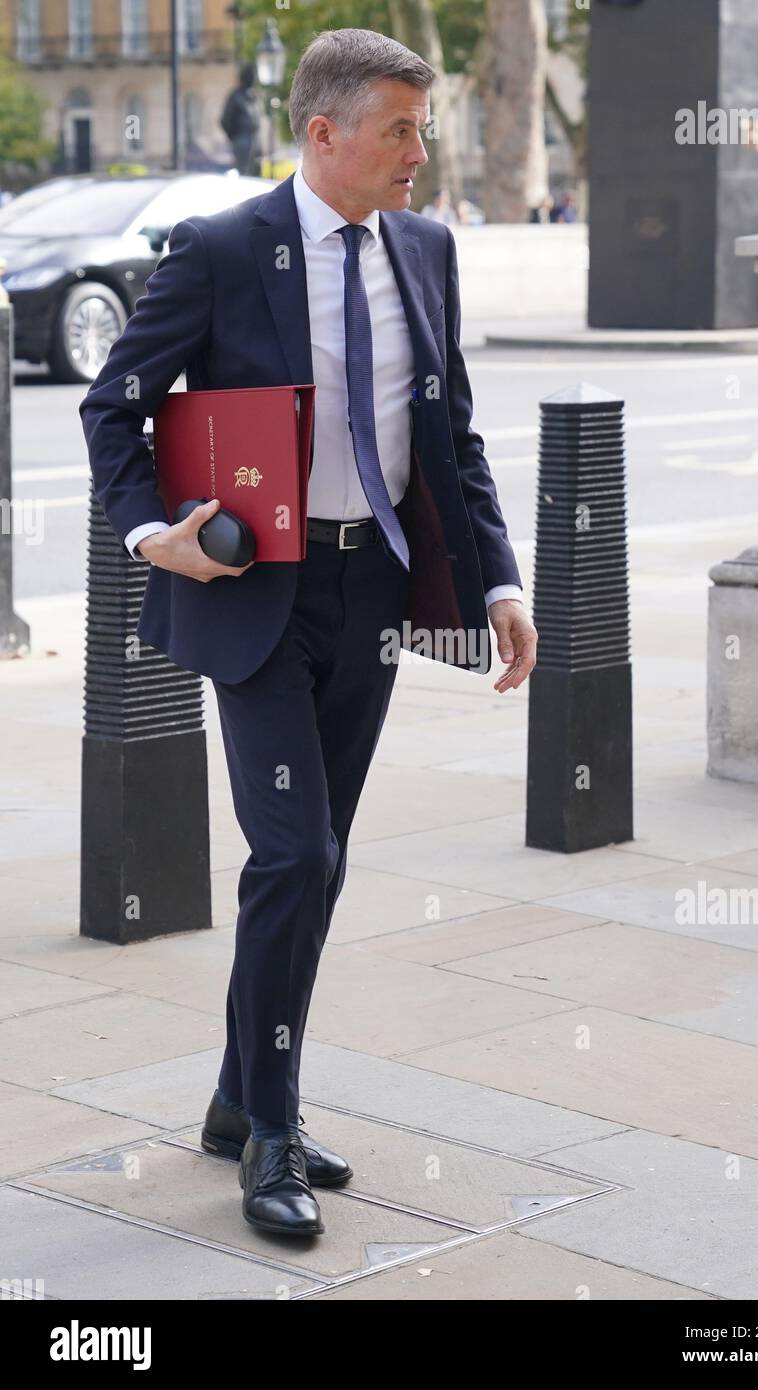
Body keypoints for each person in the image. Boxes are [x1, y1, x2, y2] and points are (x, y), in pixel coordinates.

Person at [79, 28, 536, 1240]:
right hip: (255, 597)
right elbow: (114, 405)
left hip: (373, 594)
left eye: (423, 129)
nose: (418, 154)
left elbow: (455, 438)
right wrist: (148, 534)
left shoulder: (427, 251)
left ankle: (240, 1093)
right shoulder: (223, 250)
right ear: (323, 134)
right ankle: (270, 1130)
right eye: (399, 128)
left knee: (316, 856)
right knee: (299, 856)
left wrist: (497, 584)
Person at [219, 61, 263, 175]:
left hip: (255, 141)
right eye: (253, 76)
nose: (255, 79)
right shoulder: (236, 96)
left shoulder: (253, 96)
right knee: (244, 172)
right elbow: (225, 121)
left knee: (256, 172)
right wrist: (236, 138)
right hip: (242, 141)